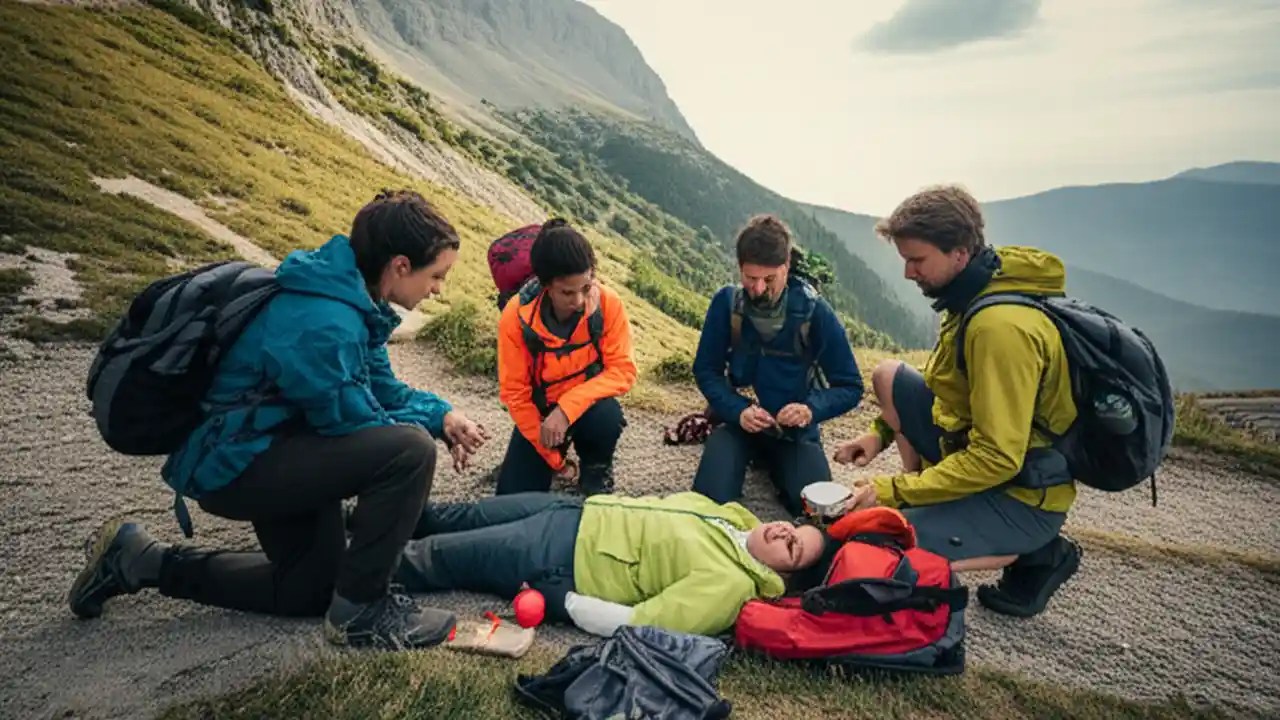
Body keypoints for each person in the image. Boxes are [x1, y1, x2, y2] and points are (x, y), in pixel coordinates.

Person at [68, 189, 488, 651]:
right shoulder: (324, 321)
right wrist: (413, 447)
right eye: (437, 276)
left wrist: (442, 415)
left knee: (308, 590)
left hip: (275, 445)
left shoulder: (348, 297)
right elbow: (357, 426)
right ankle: (363, 612)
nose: (438, 289)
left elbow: (378, 388)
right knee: (409, 452)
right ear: (401, 266)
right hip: (238, 465)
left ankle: (139, 560)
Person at [833, 184, 1082, 618]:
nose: (909, 273)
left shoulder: (999, 329)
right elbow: (943, 390)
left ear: (960, 253)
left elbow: (997, 458)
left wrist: (893, 490)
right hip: (974, 455)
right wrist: (879, 433)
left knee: (873, 545)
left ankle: (1038, 552)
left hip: (1019, 496)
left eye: (917, 260)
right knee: (890, 375)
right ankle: (929, 504)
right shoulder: (969, 294)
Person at [393, 491, 828, 638]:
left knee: (435, 556)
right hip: (573, 510)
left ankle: (332, 580)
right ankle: (347, 519)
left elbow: (641, 622)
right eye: (794, 527)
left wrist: (565, 602)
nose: (787, 533)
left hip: (563, 556)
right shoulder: (731, 516)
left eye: (794, 550)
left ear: (780, 578)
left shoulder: (731, 585)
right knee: (450, 515)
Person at [690, 214, 864, 516]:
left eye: (768, 279)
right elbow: (706, 369)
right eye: (749, 277)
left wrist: (810, 409)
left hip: (794, 433)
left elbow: (850, 386)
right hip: (739, 424)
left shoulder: (815, 312)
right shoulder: (726, 304)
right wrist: (738, 410)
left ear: (786, 268)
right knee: (708, 504)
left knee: (821, 513)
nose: (757, 288)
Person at [494, 219, 637, 496]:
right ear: (545, 285)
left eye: (586, 287)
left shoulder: (608, 303)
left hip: (587, 405)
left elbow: (623, 370)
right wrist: (554, 459)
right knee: (511, 500)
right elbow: (516, 394)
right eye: (567, 292)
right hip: (540, 413)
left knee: (607, 415)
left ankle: (596, 468)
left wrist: (566, 409)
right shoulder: (517, 316)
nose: (580, 301)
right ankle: (554, 461)